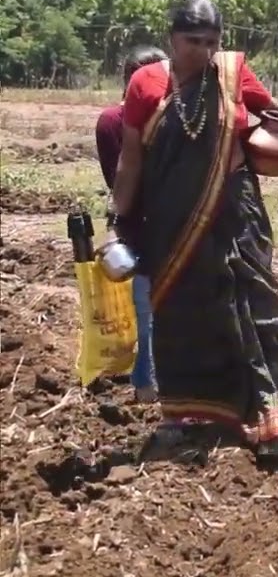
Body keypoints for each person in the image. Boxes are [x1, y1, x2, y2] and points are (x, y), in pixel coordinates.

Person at [111, 0, 278, 459]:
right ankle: (182, 415)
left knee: (253, 304)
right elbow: (131, 160)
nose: (203, 51)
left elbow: (273, 115)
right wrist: (118, 219)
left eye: (211, 41)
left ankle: (260, 411)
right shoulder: (145, 84)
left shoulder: (231, 73)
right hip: (171, 216)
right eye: (193, 41)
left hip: (234, 211)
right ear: (172, 38)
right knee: (180, 310)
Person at [96, 44, 167, 402]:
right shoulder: (113, 122)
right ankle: (147, 391)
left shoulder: (177, 116)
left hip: (175, 226)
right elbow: (121, 178)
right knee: (149, 314)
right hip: (142, 227)